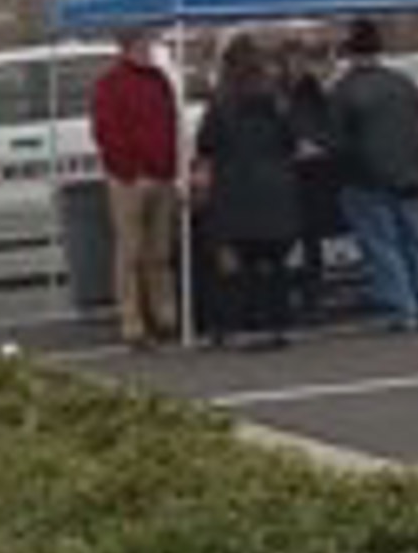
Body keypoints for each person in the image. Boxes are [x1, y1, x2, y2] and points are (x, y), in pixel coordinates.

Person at [330, 18, 418, 333]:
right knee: (415, 242)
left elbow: (336, 140)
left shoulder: (344, 90)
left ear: (350, 52)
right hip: (409, 175)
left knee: (382, 246)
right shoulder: (405, 84)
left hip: (366, 177)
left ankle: (403, 310)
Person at [195, 36, 303, 350]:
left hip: (234, 191)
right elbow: (292, 143)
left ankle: (232, 327)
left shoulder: (221, 104)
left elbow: (206, 145)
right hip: (276, 190)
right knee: (275, 264)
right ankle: (279, 325)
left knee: (232, 264)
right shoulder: (278, 101)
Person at [91, 27, 181, 349]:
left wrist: (171, 169)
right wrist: (130, 171)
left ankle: (164, 313)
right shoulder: (109, 84)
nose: (150, 49)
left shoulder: (159, 81)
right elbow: (106, 132)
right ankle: (132, 320)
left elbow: (172, 123)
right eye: (145, 44)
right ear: (128, 46)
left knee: (160, 252)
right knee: (130, 251)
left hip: (163, 176)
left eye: (151, 44)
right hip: (129, 179)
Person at [281, 42, 339, 317]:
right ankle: (293, 296)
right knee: (287, 239)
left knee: (312, 240)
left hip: (315, 176)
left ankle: (314, 296)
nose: (298, 67)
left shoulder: (315, 94)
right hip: (287, 176)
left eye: (302, 61)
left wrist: (319, 145)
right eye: (293, 61)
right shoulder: (277, 95)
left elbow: (331, 129)